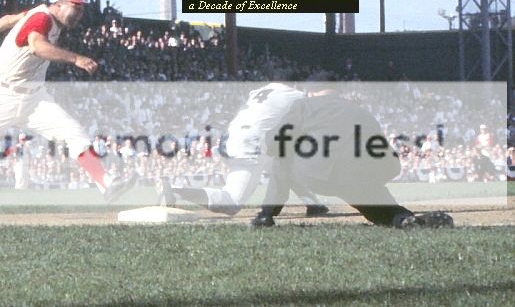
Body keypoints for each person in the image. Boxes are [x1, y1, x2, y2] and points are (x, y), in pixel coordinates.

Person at [0, 0, 133, 202]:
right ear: (59, 5)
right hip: (2, 96)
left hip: (34, 98)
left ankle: (106, 184)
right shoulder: (42, 19)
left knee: (75, 134)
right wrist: (76, 59)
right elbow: (37, 47)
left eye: (81, 9)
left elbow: (10, 19)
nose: (80, 13)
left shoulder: (40, 15)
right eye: (76, 7)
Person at [251, 86, 453, 228]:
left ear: (311, 91)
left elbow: (275, 143)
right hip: (357, 177)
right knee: (377, 208)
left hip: (315, 175)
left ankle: (265, 216)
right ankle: (403, 218)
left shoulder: (303, 105)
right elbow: (389, 160)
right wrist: (373, 183)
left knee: (280, 154)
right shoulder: (362, 112)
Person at [157, 83, 328, 217]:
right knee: (231, 203)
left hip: (231, 138)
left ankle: (313, 204)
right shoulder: (294, 95)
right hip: (251, 144)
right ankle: (176, 191)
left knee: (284, 165)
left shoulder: (258, 91)